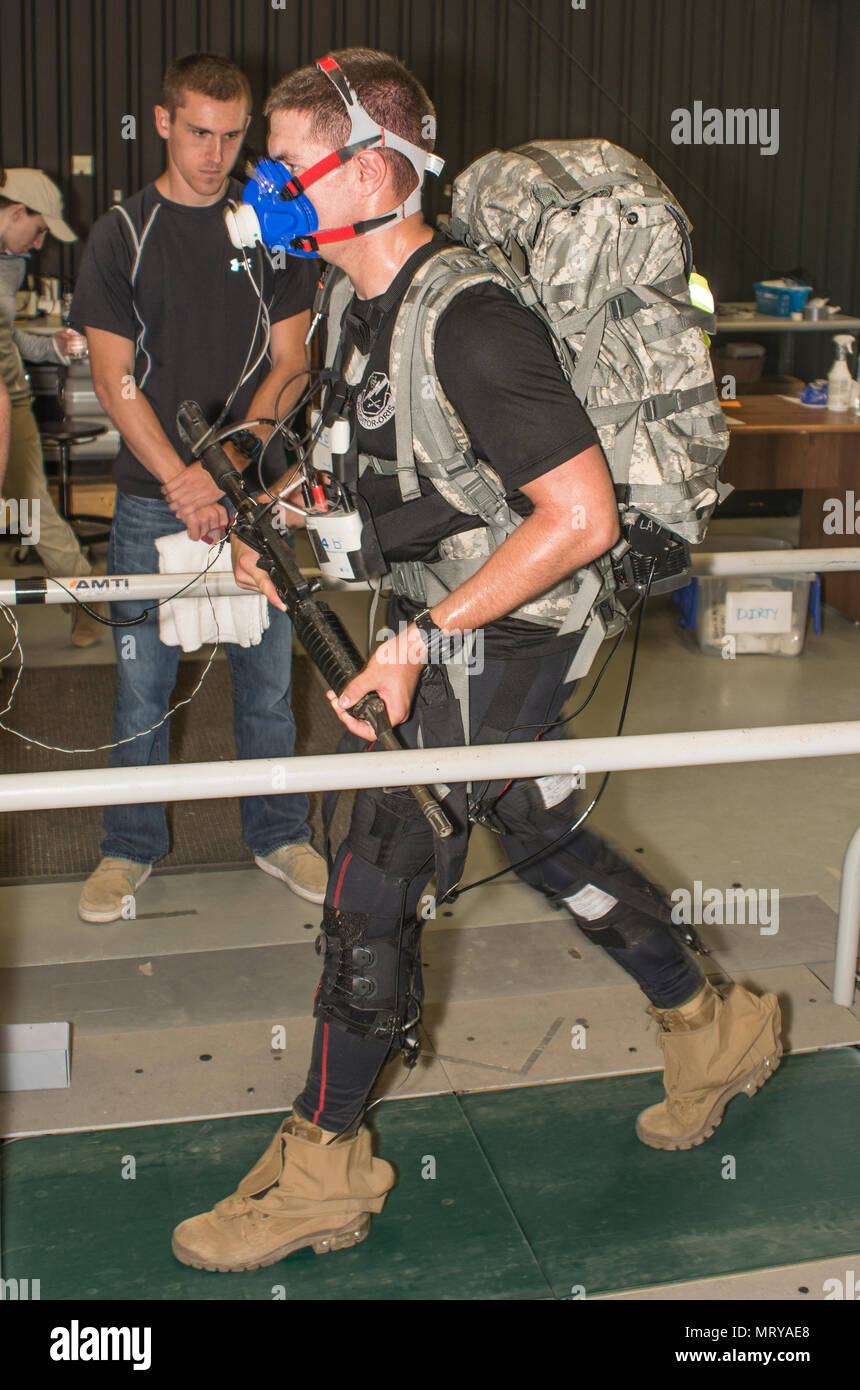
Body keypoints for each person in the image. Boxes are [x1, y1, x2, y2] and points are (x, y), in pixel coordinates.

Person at [170, 48, 783, 1273]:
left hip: (508, 625)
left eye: (287, 167)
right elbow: (376, 460)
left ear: (373, 172)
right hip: (440, 615)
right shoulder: (352, 304)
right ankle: (708, 1023)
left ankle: (322, 1169)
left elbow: (580, 518)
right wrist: (282, 516)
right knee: (534, 822)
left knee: (377, 876)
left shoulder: (472, 322)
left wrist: (413, 642)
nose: (263, 189)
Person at [70, 52, 329, 922]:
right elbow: (114, 381)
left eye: (231, 136)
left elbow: (294, 359)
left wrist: (235, 465)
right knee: (142, 685)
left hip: (256, 496)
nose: (215, 154)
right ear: (162, 121)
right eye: (198, 133)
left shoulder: (274, 232)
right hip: (152, 499)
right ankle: (127, 845)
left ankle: (279, 833)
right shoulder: (122, 235)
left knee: (265, 677)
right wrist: (184, 481)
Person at [0, 167, 102, 646]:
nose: (39, 244)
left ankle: (86, 598)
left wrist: (52, 348)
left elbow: (6, 337)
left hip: (8, 404)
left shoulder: (12, 261)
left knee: (28, 512)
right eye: (38, 229)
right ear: (15, 211)